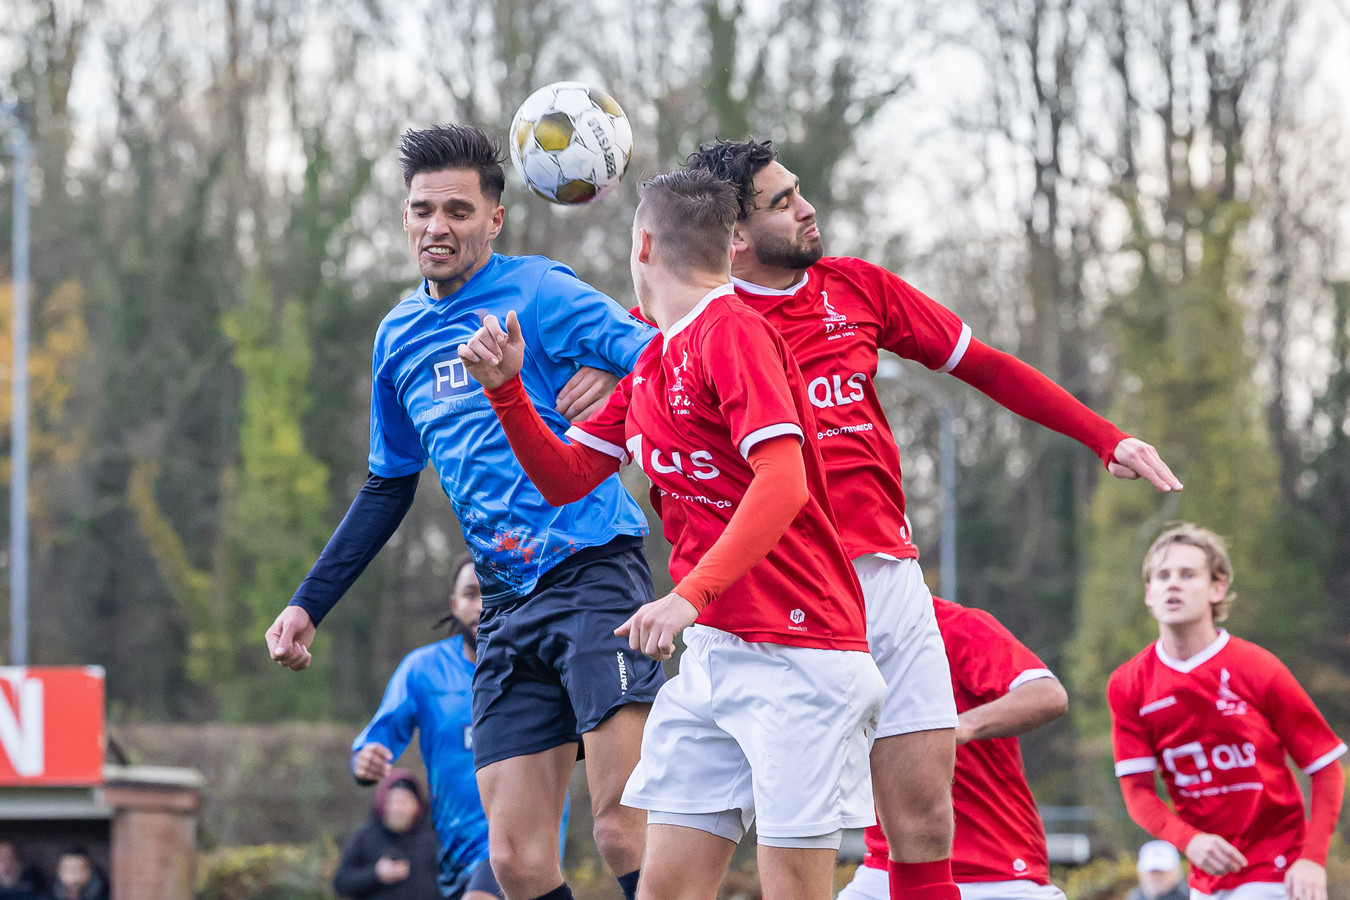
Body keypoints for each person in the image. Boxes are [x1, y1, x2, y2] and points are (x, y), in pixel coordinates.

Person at [683, 138, 1182, 900]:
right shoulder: (688, 325)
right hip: (783, 603)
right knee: (785, 832)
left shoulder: (856, 290)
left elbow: (985, 364)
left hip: (888, 579)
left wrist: (1104, 436)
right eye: (782, 201)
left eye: (799, 190)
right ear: (734, 235)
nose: (808, 208)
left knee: (922, 824)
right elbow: (606, 404)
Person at [458, 168, 888, 900]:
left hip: (803, 654)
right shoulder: (655, 361)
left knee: (793, 892)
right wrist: (506, 391)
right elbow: (563, 478)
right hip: (717, 658)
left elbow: (783, 483)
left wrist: (686, 597)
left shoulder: (734, 333)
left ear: (643, 243)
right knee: (663, 889)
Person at [264, 124, 666, 900]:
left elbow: (663, 358)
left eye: (456, 209)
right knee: (514, 861)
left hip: (594, 576)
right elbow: (388, 486)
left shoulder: (541, 291)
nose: (436, 228)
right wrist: (309, 603)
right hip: (505, 604)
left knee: (621, 825)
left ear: (495, 219)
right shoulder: (397, 339)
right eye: (421, 211)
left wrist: (616, 386)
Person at [1108, 524, 1346, 900]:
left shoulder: (1257, 667)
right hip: (1207, 880)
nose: (1173, 584)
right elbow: (1138, 794)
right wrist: (1190, 841)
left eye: (1188, 574)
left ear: (1216, 589)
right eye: (1162, 576)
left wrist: (1313, 859)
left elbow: (1326, 768)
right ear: (1148, 594)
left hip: (1277, 870)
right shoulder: (1128, 684)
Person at [838, 596, 1070, 900]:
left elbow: (1048, 695)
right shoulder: (834, 636)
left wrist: (960, 726)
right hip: (887, 868)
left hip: (998, 874)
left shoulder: (953, 624)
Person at [351, 555, 499, 899]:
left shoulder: (537, 665)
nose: (482, 605)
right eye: (471, 593)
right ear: (454, 604)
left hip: (521, 840)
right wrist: (364, 758)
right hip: (451, 853)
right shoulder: (423, 670)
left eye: (492, 592)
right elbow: (376, 740)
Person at [335, 769, 444, 900]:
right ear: (383, 804)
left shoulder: (434, 837)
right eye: (393, 801)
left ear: (417, 804)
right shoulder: (365, 838)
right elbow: (341, 883)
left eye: (404, 802)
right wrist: (375, 874)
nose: (398, 809)